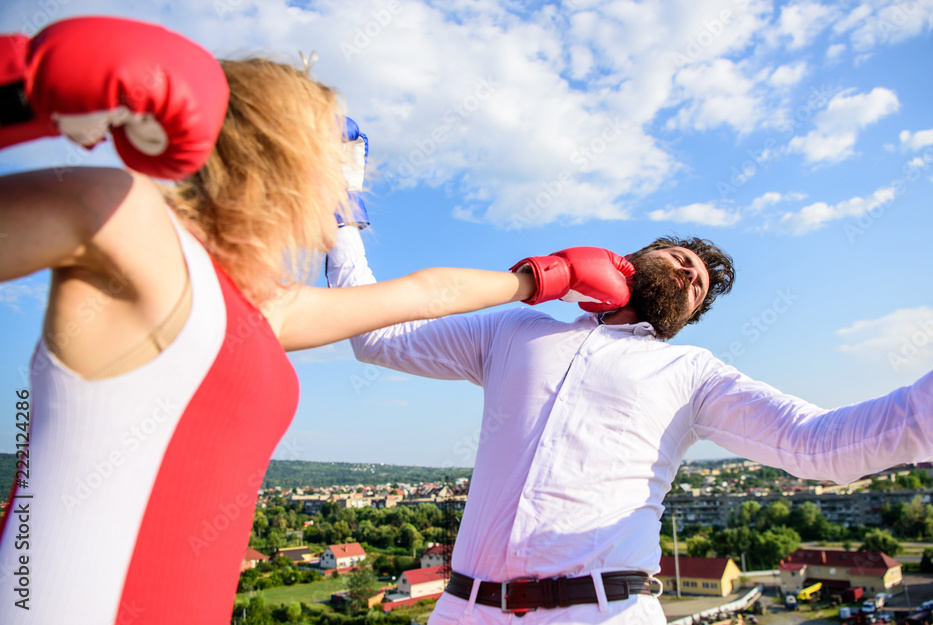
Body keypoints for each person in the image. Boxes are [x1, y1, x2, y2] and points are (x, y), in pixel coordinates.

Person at [0, 17, 633, 625]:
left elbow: (424, 294)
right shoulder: (131, 225)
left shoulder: (259, 308)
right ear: (268, 150)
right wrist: (24, 91)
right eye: (330, 156)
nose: (351, 177)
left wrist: (546, 276)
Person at [327, 222, 933, 623]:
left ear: (688, 316)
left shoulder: (692, 373)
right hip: (461, 608)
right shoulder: (515, 328)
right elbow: (374, 335)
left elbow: (815, 442)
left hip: (600, 612)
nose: (688, 270)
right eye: (679, 256)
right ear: (625, 260)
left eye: (700, 282)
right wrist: (343, 217)